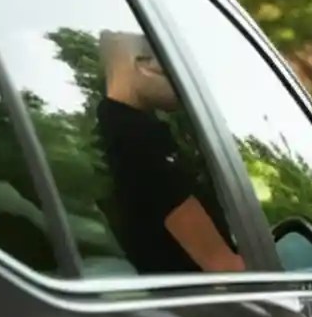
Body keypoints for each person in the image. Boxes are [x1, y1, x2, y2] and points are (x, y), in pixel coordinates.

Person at [95, 30, 244, 274]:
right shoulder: (139, 142)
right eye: (175, 66)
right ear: (143, 64)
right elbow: (224, 268)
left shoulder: (111, 131)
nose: (186, 82)